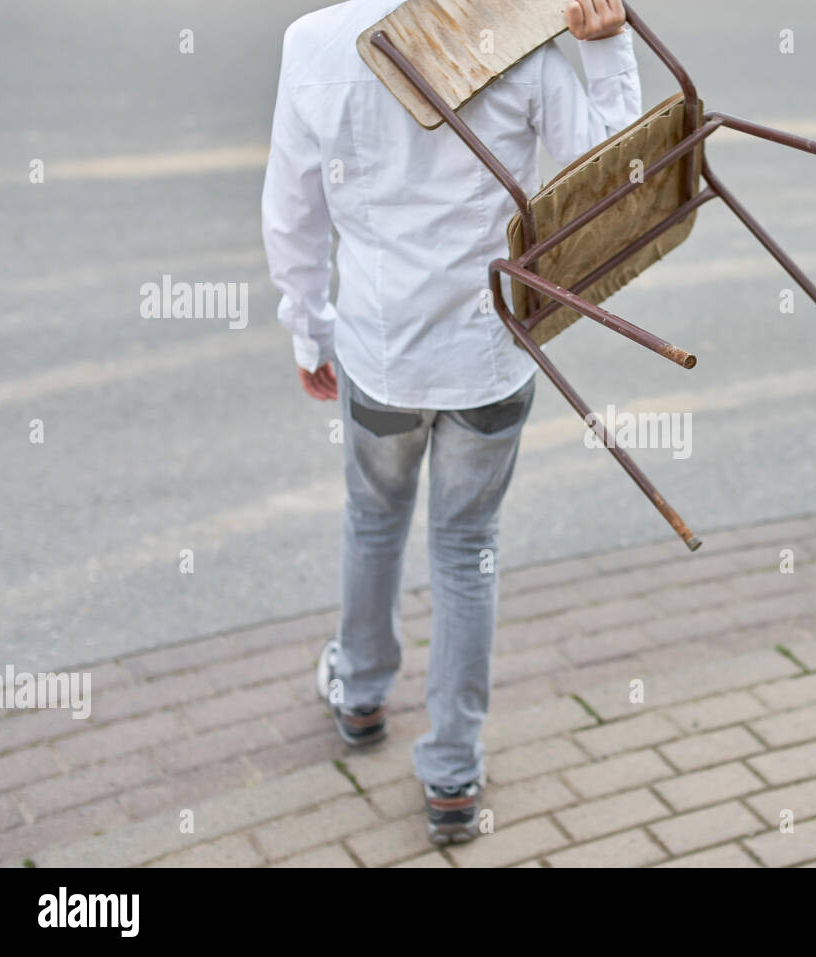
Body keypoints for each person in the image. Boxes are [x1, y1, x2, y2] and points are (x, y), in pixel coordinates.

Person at [260, 0, 641, 845]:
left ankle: (359, 694)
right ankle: (453, 777)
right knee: (468, 552)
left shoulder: (314, 44)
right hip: (489, 355)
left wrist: (308, 323)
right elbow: (617, 181)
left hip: (378, 350)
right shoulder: (518, 36)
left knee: (373, 516)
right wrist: (609, 49)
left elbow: (292, 207)